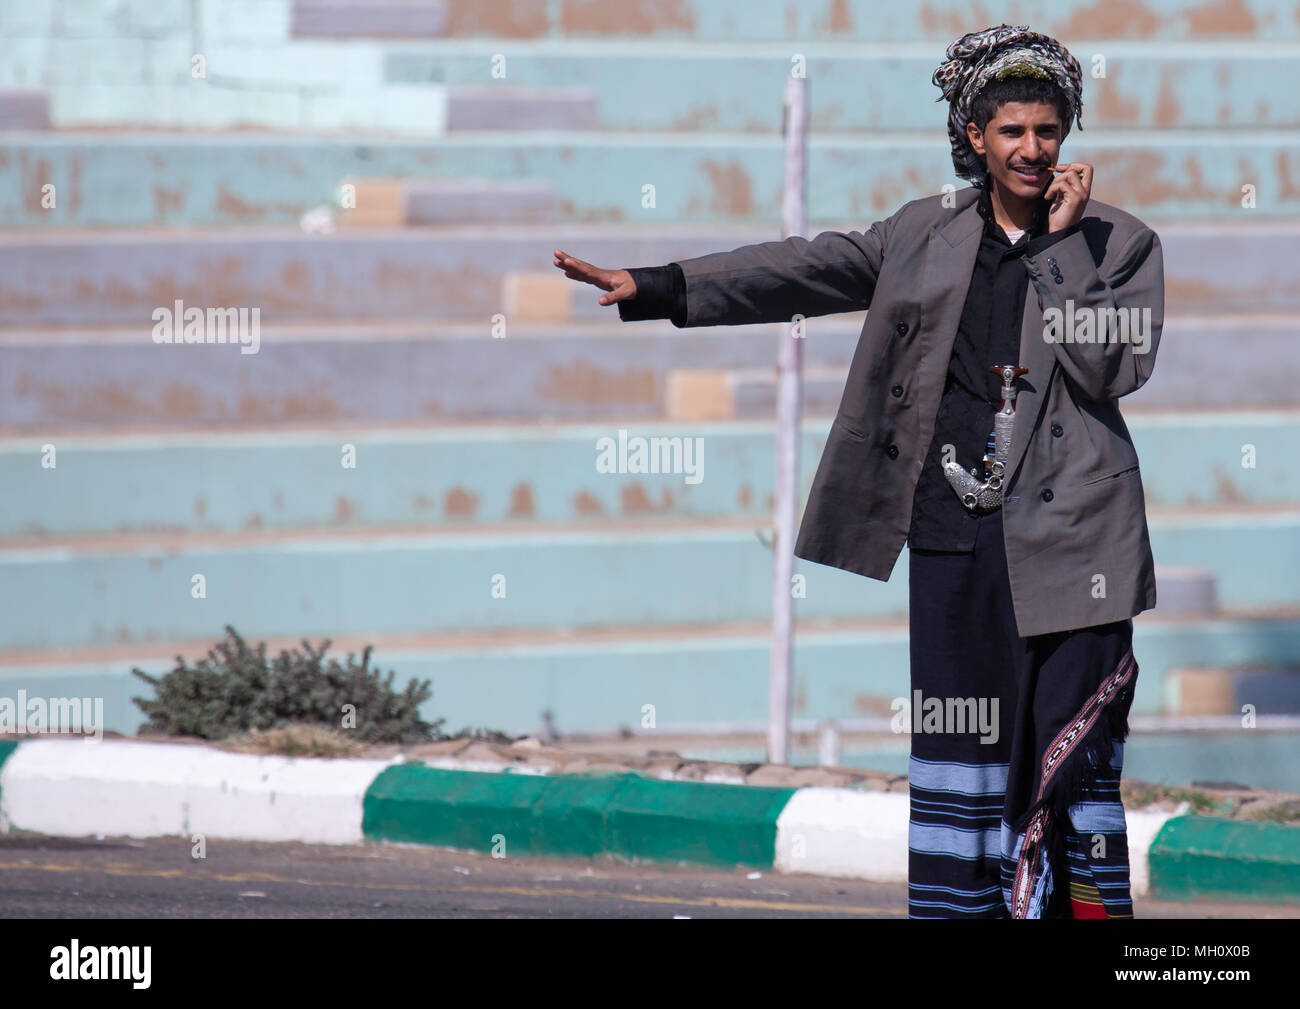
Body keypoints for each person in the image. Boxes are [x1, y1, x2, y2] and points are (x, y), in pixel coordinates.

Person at [553, 24, 1162, 919]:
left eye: (1048, 131)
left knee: (1067, 758)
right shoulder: (926, 232)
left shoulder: (1119, 244)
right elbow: (803, 269)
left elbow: (1115, 367)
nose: (1033, 150)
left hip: (1072, 548)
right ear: (975, 140)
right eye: (1011, 133)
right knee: (963, 750)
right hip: (954, 539)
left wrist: (1056, 249)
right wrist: (661, 287)